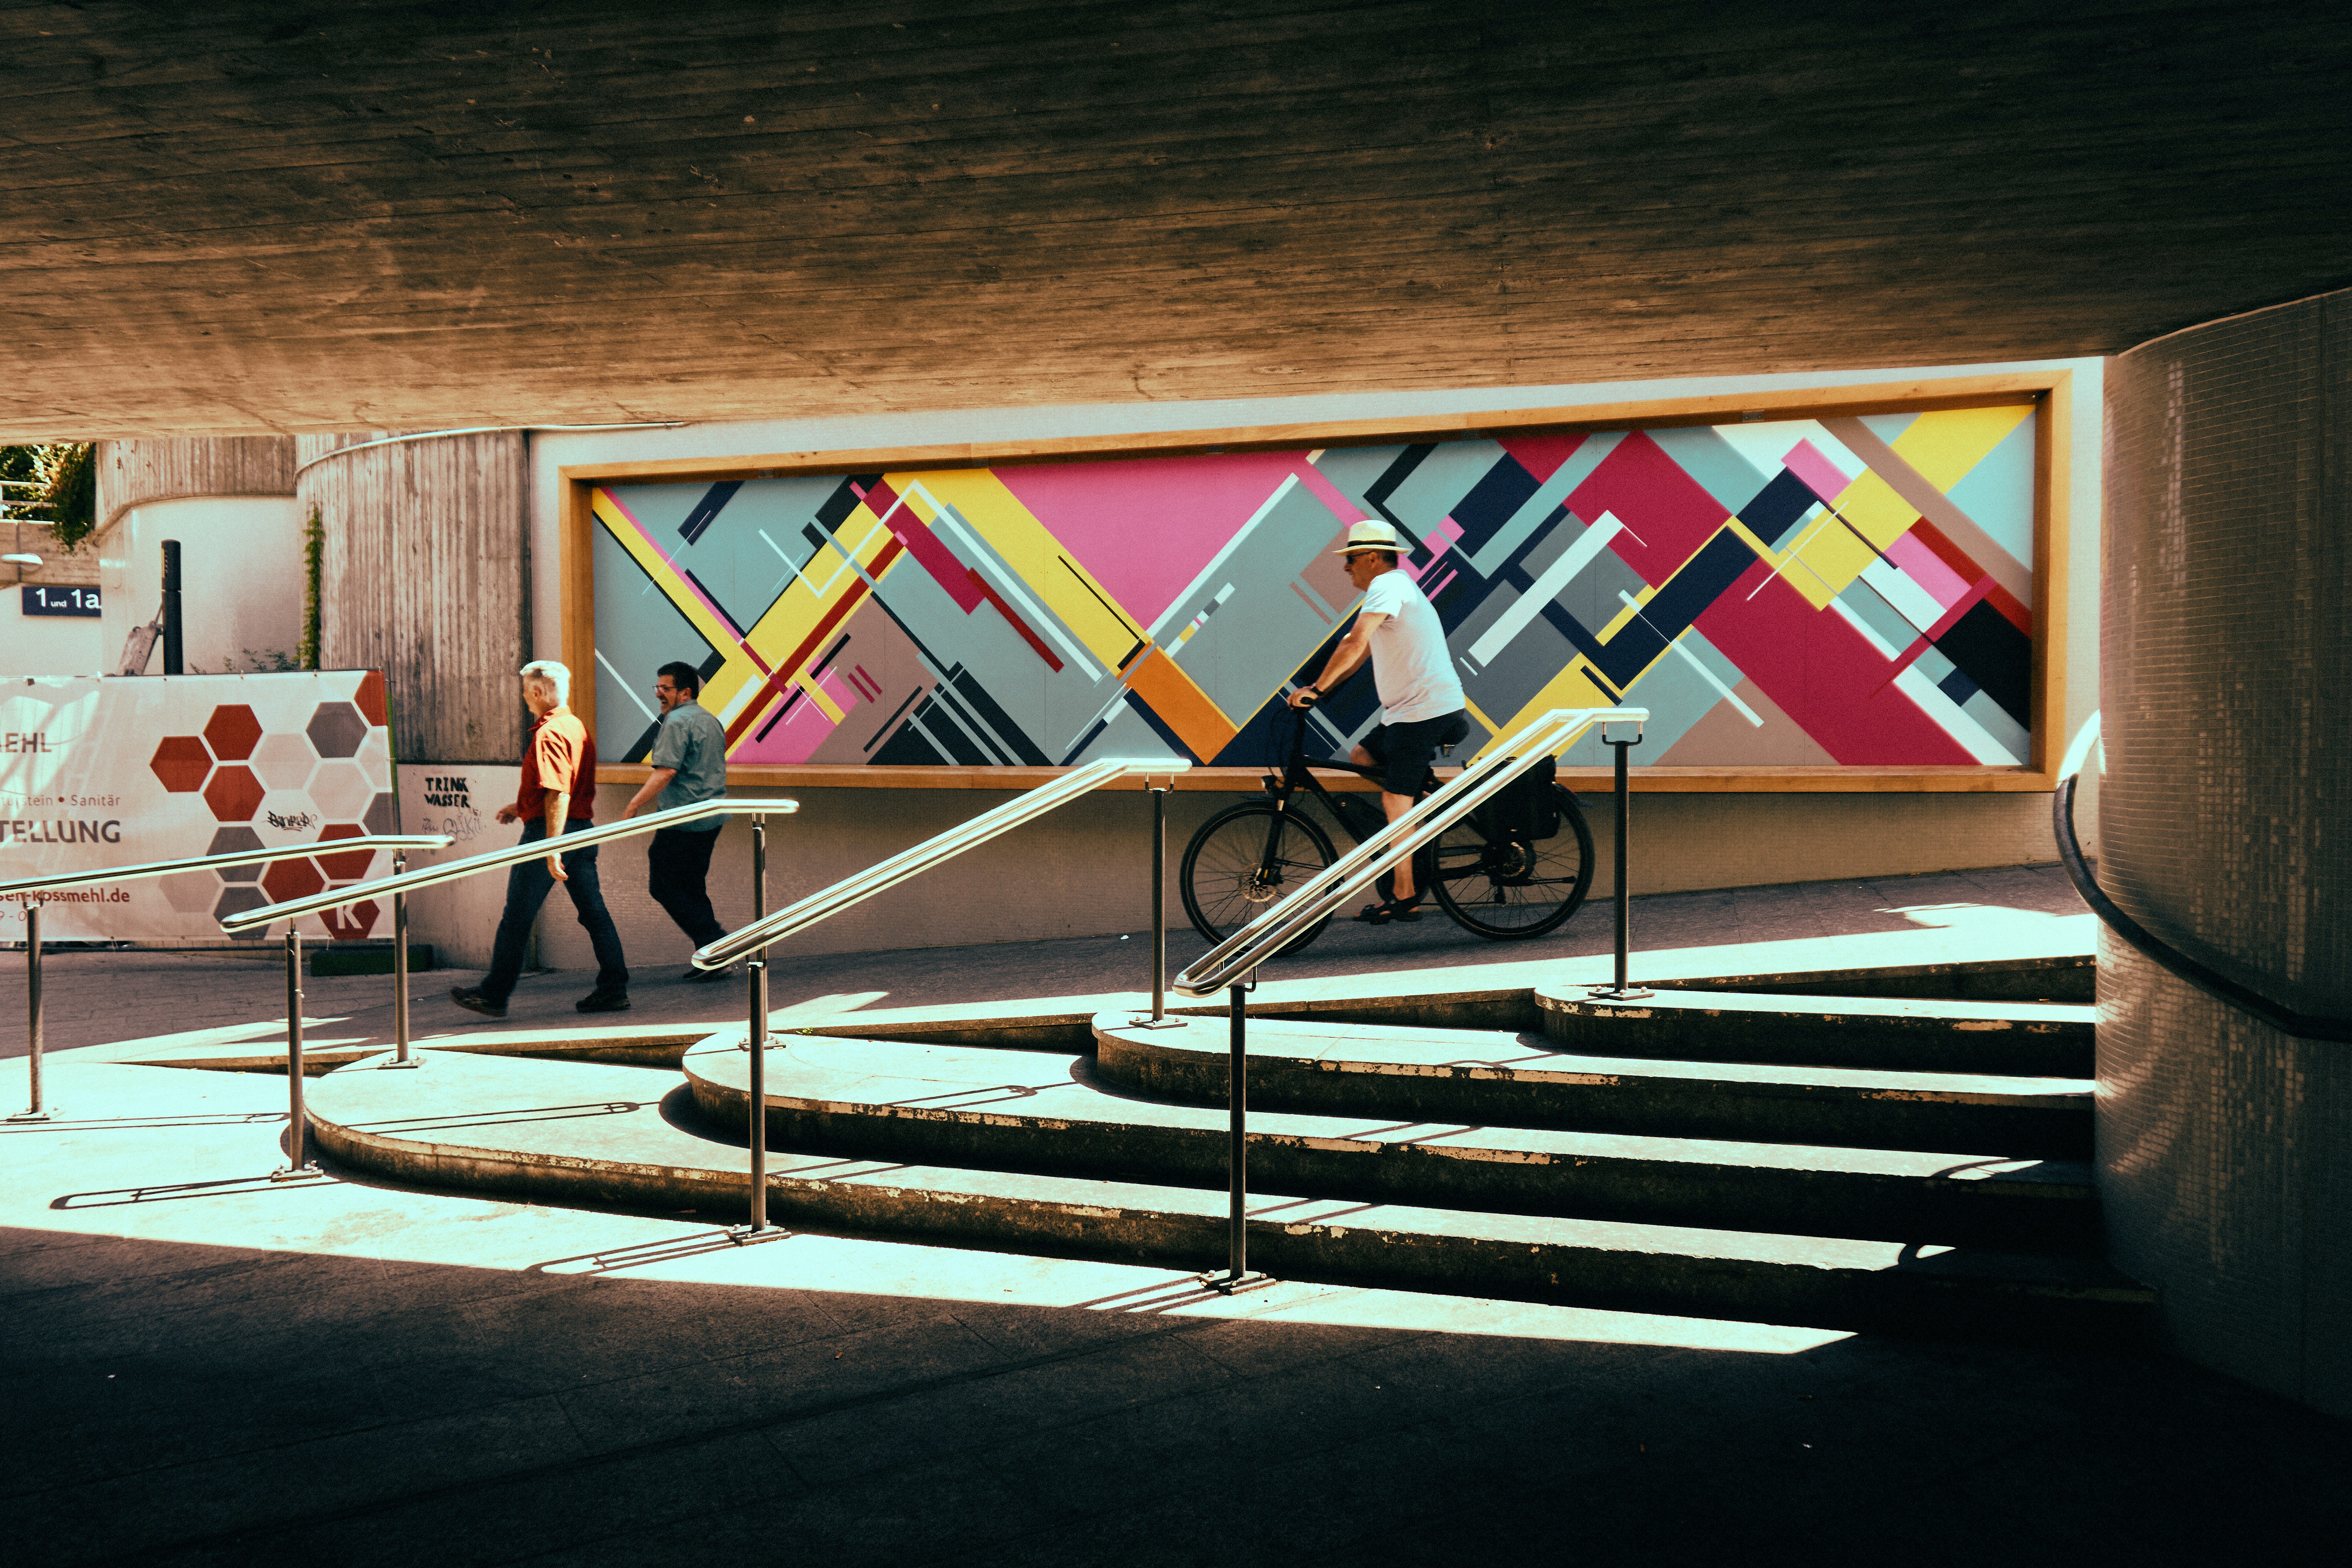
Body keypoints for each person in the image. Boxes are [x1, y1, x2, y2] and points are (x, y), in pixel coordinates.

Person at [1288, 519, 1469, 923]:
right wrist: (1324, 689)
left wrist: (1314, 690)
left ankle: (1404, 895)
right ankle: (1412, 819)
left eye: (1350, 559)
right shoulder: (1396, 588)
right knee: (1363, 756)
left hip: (1424, 711)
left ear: (1371, 557)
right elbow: (1361, 653)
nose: (1345, 567)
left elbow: (1352, 642)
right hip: (1409, 712)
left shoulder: (1386, 585)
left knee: (1392, 797)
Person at [450, 660, 631, 1017]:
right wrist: (520, 807)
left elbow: (558, 793)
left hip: (550, 838)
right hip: (581, 831)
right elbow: (561, 789)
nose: (524, 699)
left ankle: (494, 994)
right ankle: (614, 989)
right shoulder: (574, 726)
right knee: (595, 915)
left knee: (516, 918)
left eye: (525, 693)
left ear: (537, 692)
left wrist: (551, 849)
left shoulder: (548, 734)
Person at [620, 659, 732, 980]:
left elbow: (666, 771)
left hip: (684, 819)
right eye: (657, 687)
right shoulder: (710, 720)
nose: (659, 694)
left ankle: (717, 942)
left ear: (685, 692)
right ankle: (714, 957)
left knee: (664, 885)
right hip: (711, 818)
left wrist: (634, 805)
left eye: (665, 688)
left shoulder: (676, 722)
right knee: (692, 887)